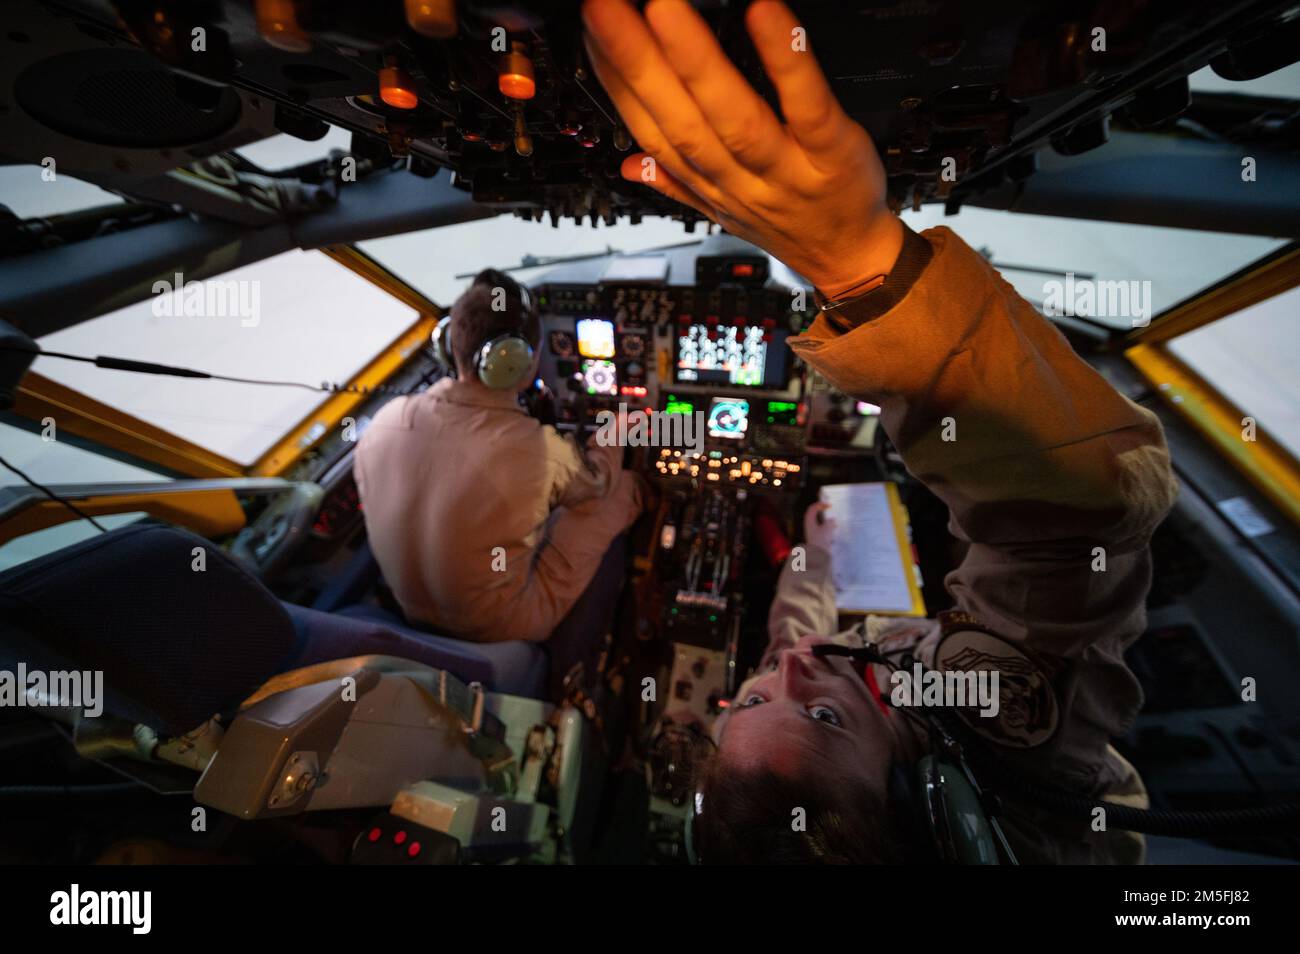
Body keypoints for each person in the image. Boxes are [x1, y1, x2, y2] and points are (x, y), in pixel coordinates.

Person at [582, 0, 1178, 862]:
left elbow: (802, 650)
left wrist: (805, 561)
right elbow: (1077, 522)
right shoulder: (994, 728)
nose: (782, 678)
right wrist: (860, 269)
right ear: (924, 800)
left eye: (746, 704)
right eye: (819, 717)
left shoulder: (868, 726)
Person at [353, 268, 643, 683]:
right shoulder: (536, 451)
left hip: (408, 608)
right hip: (499, 624)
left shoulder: (383, 422)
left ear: (448, 347)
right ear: (517, 360)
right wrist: (614, 431)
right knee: (622, 492)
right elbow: (596, 486)